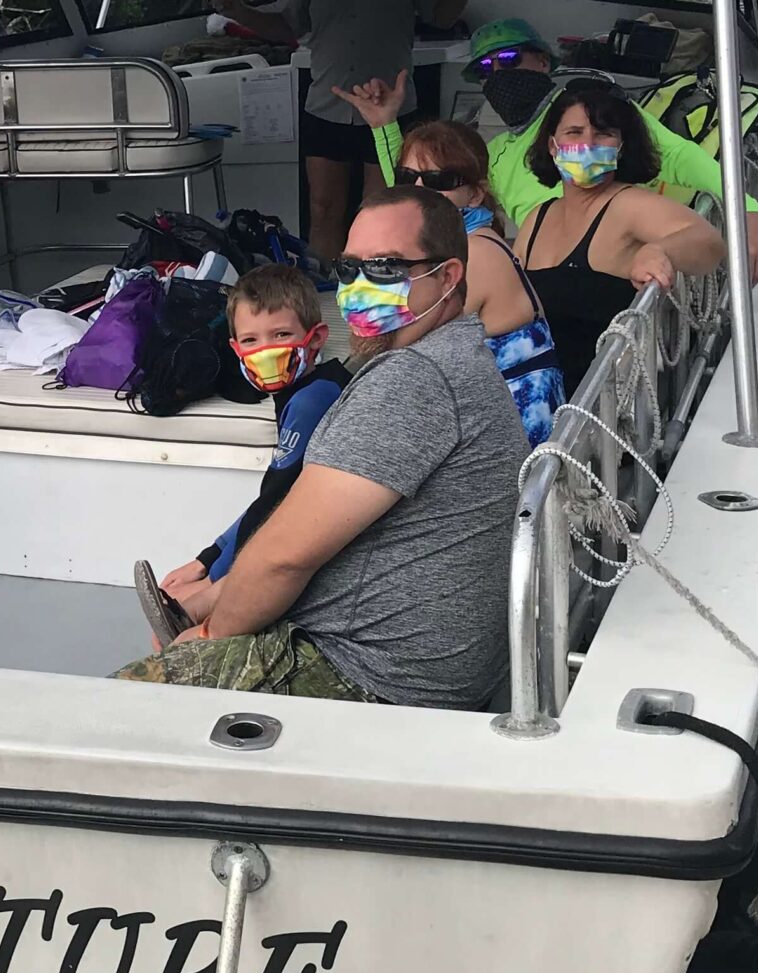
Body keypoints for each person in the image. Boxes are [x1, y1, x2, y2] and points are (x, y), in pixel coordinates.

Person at [116, 187, 526, 708]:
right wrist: (210, 599)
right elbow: (310, 524)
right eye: (349, 268)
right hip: (407, 654)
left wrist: (208, 639)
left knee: (114, 714)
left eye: (383, 268)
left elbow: (284, 559)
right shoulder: (450, 355)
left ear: (446, 277)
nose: (357, 286)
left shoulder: (414, 379)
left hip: (371, 676)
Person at [333, 17, 758, 283]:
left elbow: (681, 157)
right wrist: (384, 126)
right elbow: (421, 194)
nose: (498, 74)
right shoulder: (501, 150)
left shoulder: (589, 115)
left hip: (601, 258)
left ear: (542, 62)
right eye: (486, 68)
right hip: (530, 265)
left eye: (509, 60)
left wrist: (748, 208)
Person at [206, 0, 481, 268]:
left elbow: (441, 16)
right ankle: (323, 291)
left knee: (379, 210)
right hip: (327, 106)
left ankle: (371, 291)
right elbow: (287, 28)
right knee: (322, 209)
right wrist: (236, 10)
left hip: (387, 110)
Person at [133, 264, 351, 645]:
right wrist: (206, 558)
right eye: (251, 341)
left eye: (281, 335)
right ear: (235, 349)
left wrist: (213, 576)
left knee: (164, 637)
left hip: (322, 558)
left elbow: (274, 502)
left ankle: (193, 622)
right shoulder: (318, 386)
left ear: (315, 338)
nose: (265, 351)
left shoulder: (311, 401)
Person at [515, 78, 728, 389]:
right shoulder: (538, 217)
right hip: (538, 396)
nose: (587, 144)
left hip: (597, 406)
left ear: (622, 146)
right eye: (574, 133)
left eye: (603, 134)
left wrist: (660, 251)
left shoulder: (628, 205)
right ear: (552, 145)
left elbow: (709, 244)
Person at [393, 118, 566, 445]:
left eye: (437, 179)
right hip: (486, 417)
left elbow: (401, 342)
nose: (416, 190)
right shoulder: (457, 243)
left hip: (513, 441)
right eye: (406, 177)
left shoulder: (476, 252)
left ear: (475, 195)